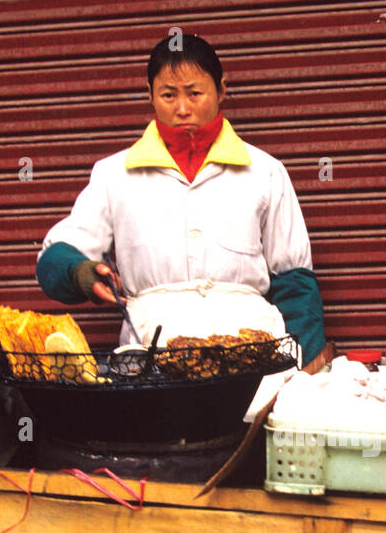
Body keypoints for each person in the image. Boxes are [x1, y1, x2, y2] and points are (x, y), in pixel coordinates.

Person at [36, 32, 327, 365]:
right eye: (169, 95)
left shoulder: (265, 171)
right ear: (150, 95)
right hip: (152, 349)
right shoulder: (114, 174)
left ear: (221, 90)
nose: (183, 108)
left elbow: (295, 282)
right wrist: (78, 272)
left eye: (195, 93)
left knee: (249, 418)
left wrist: (299, 366)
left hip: (253, 354)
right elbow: (55, 259)